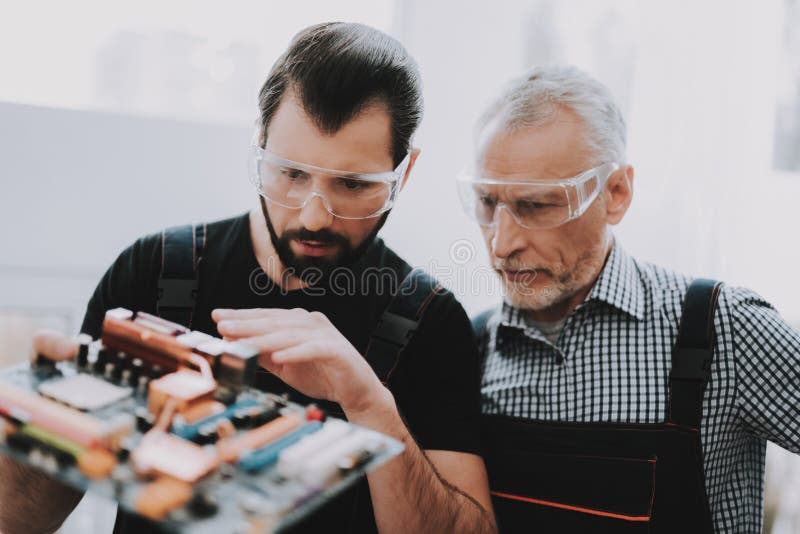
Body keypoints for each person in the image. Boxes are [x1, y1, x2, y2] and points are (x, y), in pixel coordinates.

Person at [0, 22, 495, 534]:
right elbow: (22, 522)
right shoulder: (152, 274)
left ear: (404, 174)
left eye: (352, 185)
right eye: (291, 174)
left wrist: (369, 405)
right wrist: (41, 424)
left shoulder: (429, 322)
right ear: (259, 144)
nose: (314, 216)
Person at [462, 65, 800, 533]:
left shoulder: (722, 330)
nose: (501, 244)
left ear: (616, 193)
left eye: (535, 205)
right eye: (486, 203)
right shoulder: (470, 346)